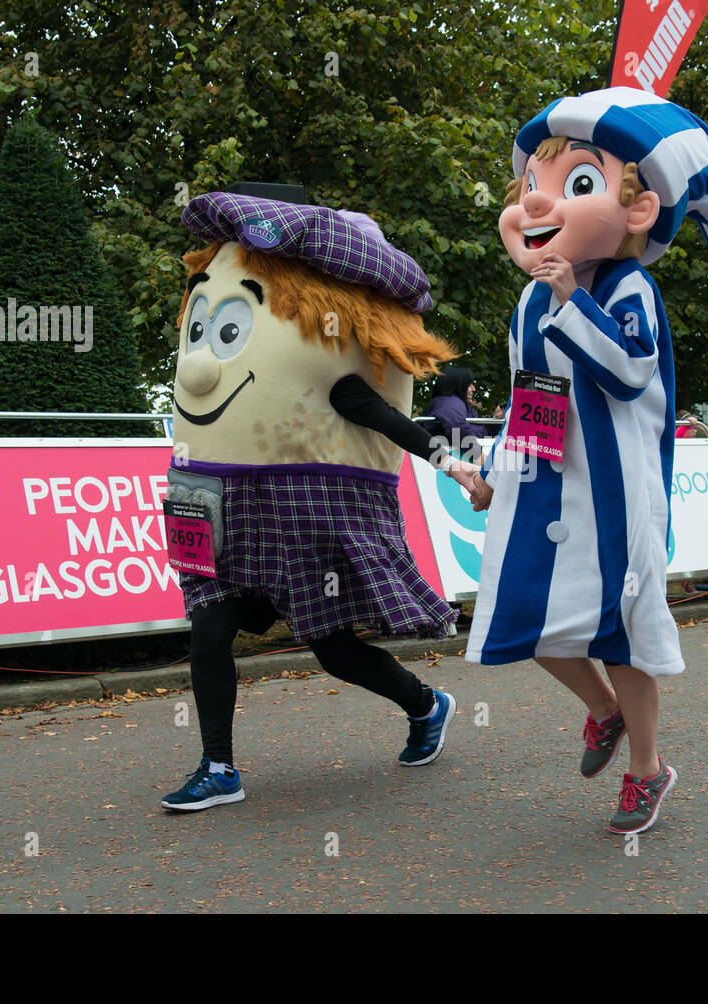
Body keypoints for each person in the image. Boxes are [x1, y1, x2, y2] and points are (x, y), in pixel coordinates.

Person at [466, 88, 708, 834]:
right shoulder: (527, 305)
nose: (539, 206)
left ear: (635, 211)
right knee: (524, 617)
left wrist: (573, 298)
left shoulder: (631, 286)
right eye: (532, 187)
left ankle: (648, 769)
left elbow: (631, 372)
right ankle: (601, 711)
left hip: (618, 492)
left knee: (623, 632)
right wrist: (497, 467)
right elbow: (528, 397)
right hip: (547, 484)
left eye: (574, 185)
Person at [160, 192, 476, 812]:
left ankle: (426, 704)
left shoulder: (337, 374)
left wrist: (454, 465)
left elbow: (390, 421)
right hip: (216, 500)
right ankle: (218, 766)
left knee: (333, 650)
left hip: (302, 511)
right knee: (210, 628)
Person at [424, 365, 487, 458]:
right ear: (458, 385)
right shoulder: (450, 403)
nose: (473, 389)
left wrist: (495, 421)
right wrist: (479, 454)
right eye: (469, 384)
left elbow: (478, 431)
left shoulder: (463, 407)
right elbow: (458, 429)